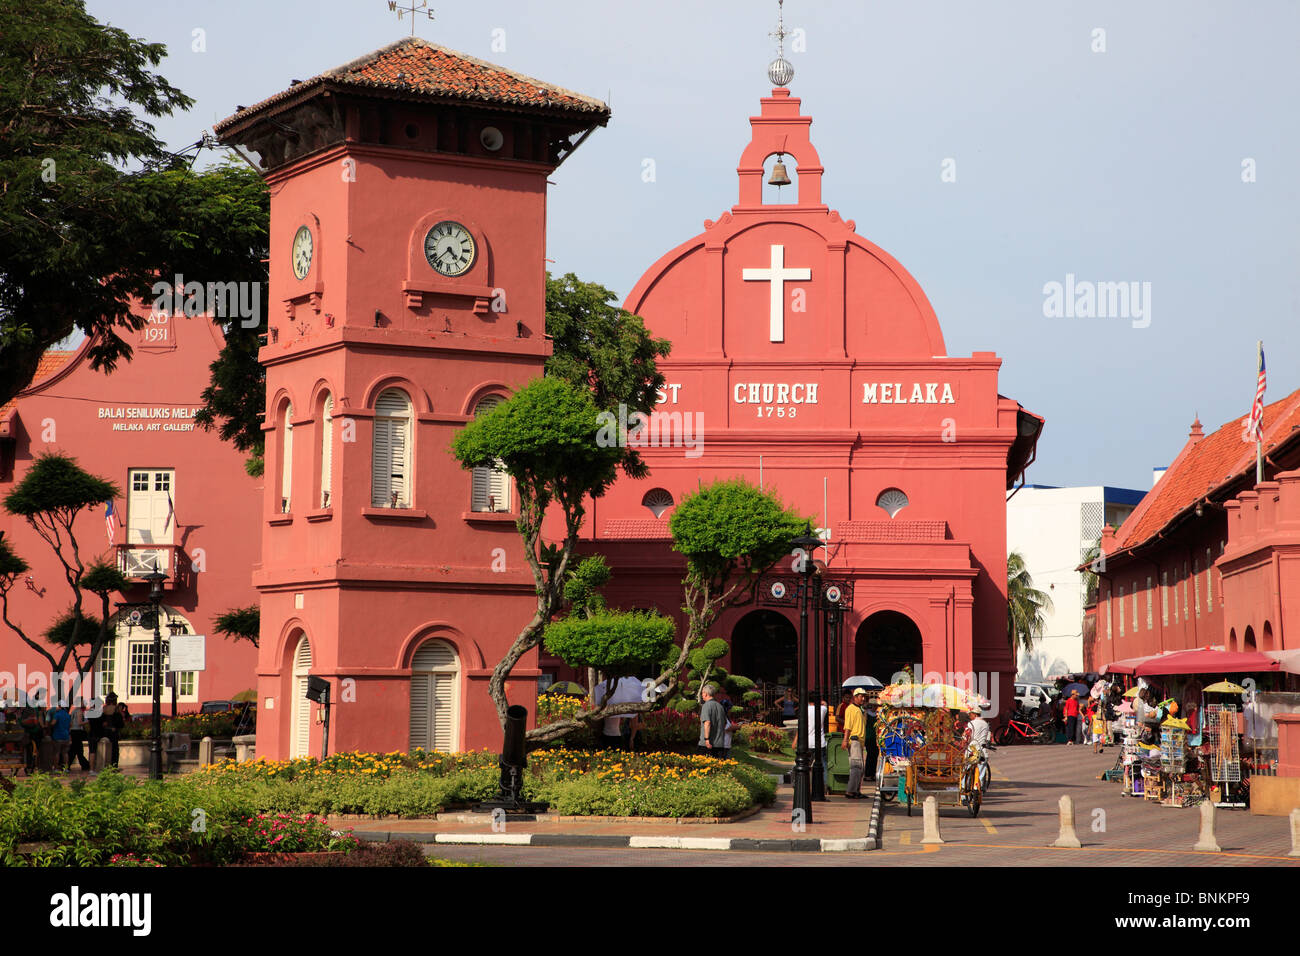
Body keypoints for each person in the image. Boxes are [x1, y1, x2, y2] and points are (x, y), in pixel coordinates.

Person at [841, 687, 870, 799]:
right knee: (856, 766)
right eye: (861, 696)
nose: (863, 698)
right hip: (854, 740)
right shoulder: (851, 709)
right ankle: (851, 791)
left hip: (860, 742)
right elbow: (848, 727)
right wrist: (845, 740)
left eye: (864, 696)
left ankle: (856, 790)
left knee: (860, 768)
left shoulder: (861, 709)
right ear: (855, 697)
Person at [698, 684, 729, 758]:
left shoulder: (706, 705)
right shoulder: (720, 706)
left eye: (702, 693)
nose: (702, 695)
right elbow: (724, 724)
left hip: (707, 744)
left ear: (706, 693)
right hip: (719, 744)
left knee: (702, 767)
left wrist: (707, 739)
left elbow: (707, 722)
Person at [47, 703, 72, 772]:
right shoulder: (67, 715)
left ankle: (56, 768)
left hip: (57, 736)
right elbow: (70, 725)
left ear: (60, 707)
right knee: (65, 753)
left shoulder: (57, 714)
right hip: (66, 736)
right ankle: (66, 768)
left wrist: (49, 724)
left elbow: (53, 723)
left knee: (56, 752)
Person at [67, 701, 91, 771]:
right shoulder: (79, 711)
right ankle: (85, 765)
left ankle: (84, 764)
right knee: (77, 749)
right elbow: (79, 723)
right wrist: (87, 721)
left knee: (75, 749)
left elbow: (71, 722)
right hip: (77, 731)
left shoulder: (73, 711)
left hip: (73, 731)